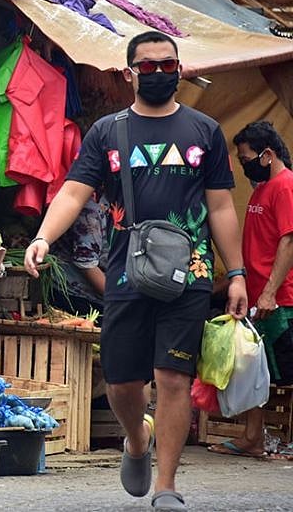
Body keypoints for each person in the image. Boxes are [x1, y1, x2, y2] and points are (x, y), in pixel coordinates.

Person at [23, 31, 247, 512]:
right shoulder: (108, 132)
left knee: (173, 378)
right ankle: (137, 440)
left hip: (189, 274)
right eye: (148, 66)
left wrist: (238, 273)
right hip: (126, 273)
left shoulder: (205, 130)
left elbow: (221, 207)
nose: (159, 73)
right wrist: (43, 236)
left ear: (180, 69)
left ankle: (166, 485)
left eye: (168, 65)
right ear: (130, 74)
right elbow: (73, 192)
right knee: (123, 383)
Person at [208, 121, 293, 458]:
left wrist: (270, 292)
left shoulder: (285, 186)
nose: (244, 165)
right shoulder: (262, 189)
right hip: (257, 298)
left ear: (267, 155)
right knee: (255, 367)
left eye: (246, 159)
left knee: (285, 370)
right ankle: (252, 437)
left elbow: (289, 241)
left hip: (281, 300)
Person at [50, 193, 108, 317]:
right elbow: (87, 265)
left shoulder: (116, 203)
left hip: (106, 288)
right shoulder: (89, 211)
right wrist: (119, 300)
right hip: (76, 293)